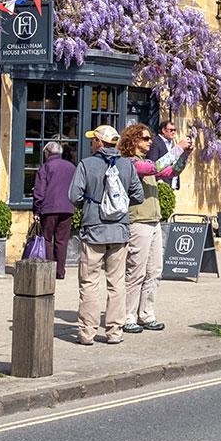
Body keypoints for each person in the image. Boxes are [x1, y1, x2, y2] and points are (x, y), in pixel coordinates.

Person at [69, 124, 144, 346]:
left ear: (100, 142)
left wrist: (92, 203)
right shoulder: (127, 165)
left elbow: (74, 196)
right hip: (119, 231)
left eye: (94, 139)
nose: (92, 142)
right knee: (117, 283)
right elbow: (138, 195)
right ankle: (114, 332)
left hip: (93, 230)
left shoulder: (86, 164)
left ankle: (87, 333)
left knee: (89, 282)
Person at [122, 122, 174, 334]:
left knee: (154, 271)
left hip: (153, 221)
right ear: (134, 140)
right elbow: (155, 168)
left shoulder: (147, 162)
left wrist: (186, 153)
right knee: (136, 271)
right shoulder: (130, 163)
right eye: (145, 138)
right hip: (138, 222)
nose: (149, 141)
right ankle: (127, 316)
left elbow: (170, 171)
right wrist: (177, 147)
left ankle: (146, 314)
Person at [31, 140, 77, 279]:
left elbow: (39, 191)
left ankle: (49, 271)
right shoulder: (71, 167)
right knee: (62, 241)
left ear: (47, 153)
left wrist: (36, 210)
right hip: (67, 208)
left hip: (49, 208)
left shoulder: (46, 167)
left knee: (46, 239)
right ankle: (60, 271)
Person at [148, 119, 192, 191]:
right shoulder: (155, 143)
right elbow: (152, 164)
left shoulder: (171, 143)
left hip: (171, 184)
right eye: (171, 130)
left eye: (175, 130)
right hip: (161, 185)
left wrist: (186, 153)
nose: (174, 132)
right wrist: (159, 180)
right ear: (163, 130)